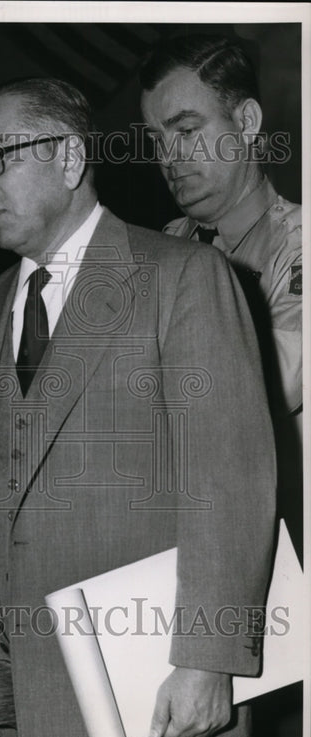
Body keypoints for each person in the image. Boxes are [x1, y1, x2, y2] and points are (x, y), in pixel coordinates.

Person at [0, 77, 276, 737]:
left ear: (69, 159)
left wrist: (208, 659)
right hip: (20, 716)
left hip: (157, 705)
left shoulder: (183, 277)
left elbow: (227, 478)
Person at [139, 33, 302, 558]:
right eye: (157, 140)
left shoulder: (298, 243)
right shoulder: (165, 245)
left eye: (186, 130)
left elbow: (270, 384)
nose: (170, 157)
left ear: (247, 124)